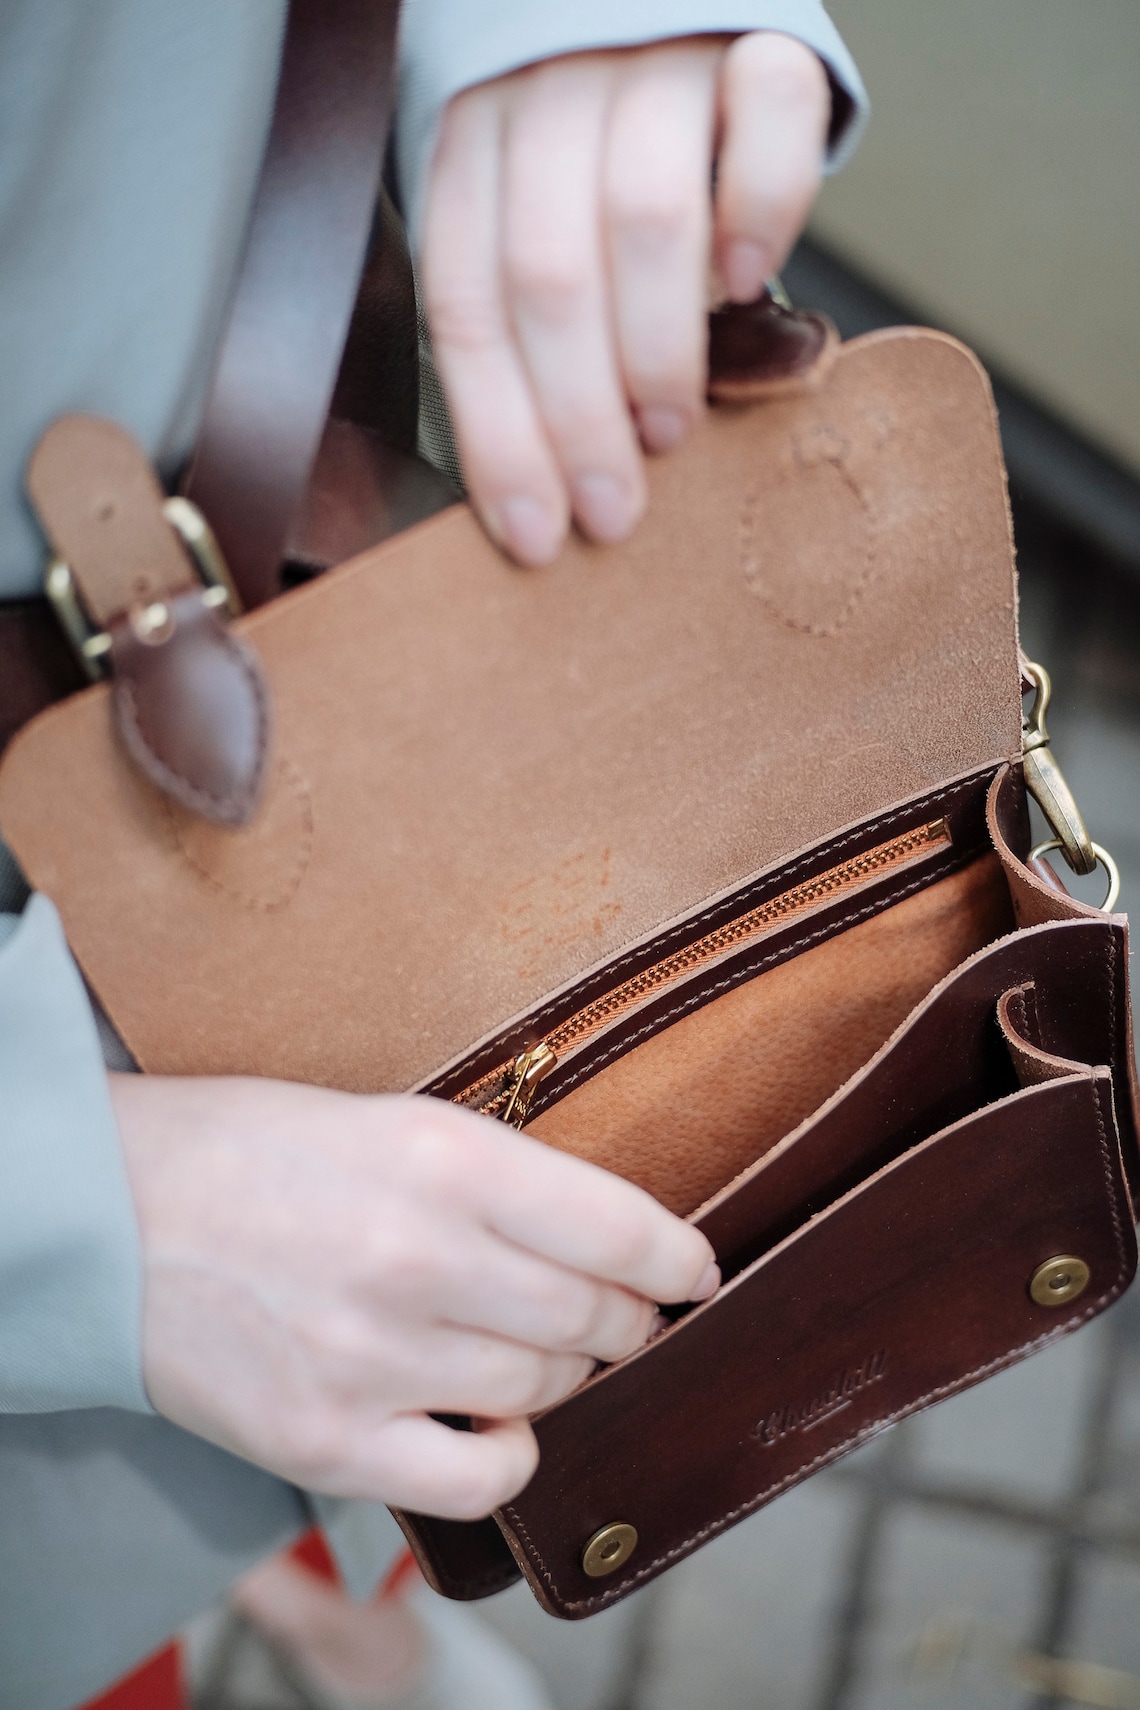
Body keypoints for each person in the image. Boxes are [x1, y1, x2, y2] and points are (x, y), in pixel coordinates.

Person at [0, 3, 867, 1705]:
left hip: (303, 612)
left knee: (419, 1299)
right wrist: (68, 1209)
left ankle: (342, 1602)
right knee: (109, 1522)